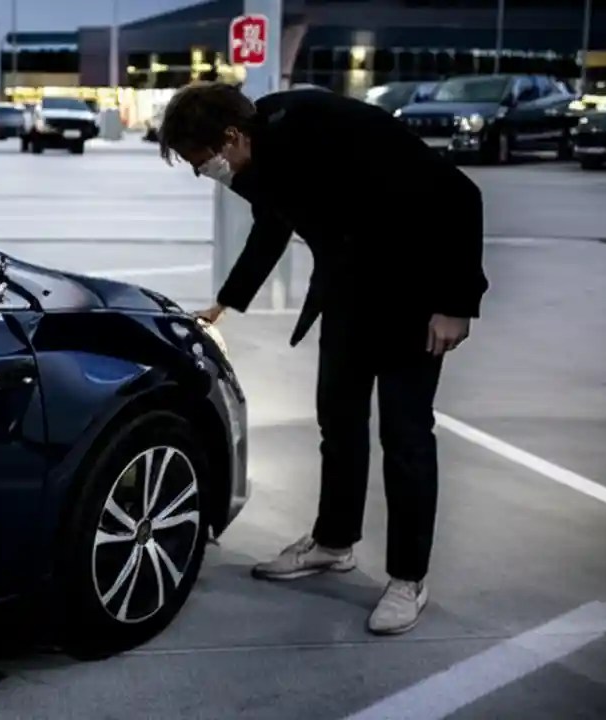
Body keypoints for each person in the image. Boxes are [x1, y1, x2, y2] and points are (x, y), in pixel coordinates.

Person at [158, 82, 488, 635]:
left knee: (405, 438)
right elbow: (273, 223)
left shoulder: (327, 128)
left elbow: (460, 195)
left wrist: (457, 305)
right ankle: (334, 542)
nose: (203, 172)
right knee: (338, 423)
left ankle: (409, 578)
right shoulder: (254, 155)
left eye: (202, 161)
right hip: (348, 295)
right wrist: (226, 303)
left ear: (232, 137)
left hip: (413, 297)